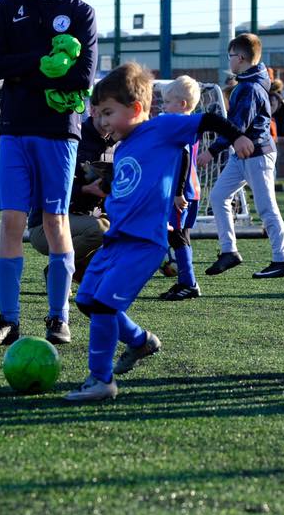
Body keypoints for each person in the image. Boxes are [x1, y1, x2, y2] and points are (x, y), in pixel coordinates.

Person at [63, 62, 255, 402]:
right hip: (116, 240)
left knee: (105, 306)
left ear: (136, 109)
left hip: (144, 243)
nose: (102, 120)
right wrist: (100, 183)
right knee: (87, 302)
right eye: (98, 113)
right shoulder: (122, 148)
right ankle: (140, 341)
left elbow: (208, 119)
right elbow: (128, 184)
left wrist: (237, 135)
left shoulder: (164, 126)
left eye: (108, 112)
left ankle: (100, 381)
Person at [0, 0, 98, 347]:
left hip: (58, 132)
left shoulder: (81, 12)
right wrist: (41, 62)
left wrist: (21, 71)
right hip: (14, 130)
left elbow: (82, 76)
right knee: (11, 223)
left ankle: (58, 318)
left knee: (54, 222)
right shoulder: (8, 5)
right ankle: (8, 320)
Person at [199, 33, 284, 279]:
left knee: (266, 208)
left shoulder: (249, 87)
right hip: (242, 156)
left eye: (230, 56)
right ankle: (229, 251)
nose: (228, 61)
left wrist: (211, 151)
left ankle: (281, 260)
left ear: (240, 58)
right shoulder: (249, 82)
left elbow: (237, 126)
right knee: (219, 197)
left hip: (257, 155)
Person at [29, 105, 112, 284]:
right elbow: (43, 186)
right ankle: (58, 271)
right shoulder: (72, 138)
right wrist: (84, 190)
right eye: (108, 111)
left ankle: (80, 274)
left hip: (86, 219)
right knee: (102, 229)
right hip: (45, 224)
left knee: (125, 230)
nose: (112, 118)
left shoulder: (118, 143)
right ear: (94, 109)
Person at [159, 75, 203, 301]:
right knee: (181, 235)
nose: (163, 106)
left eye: (167, 102)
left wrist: (177, 193)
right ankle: (186, 281)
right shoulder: (191, 124)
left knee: (176, 236)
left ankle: (189, 282)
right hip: (189, 189)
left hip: (182, 192)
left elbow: (184, 157)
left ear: (182, 104)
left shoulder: (181, 126)